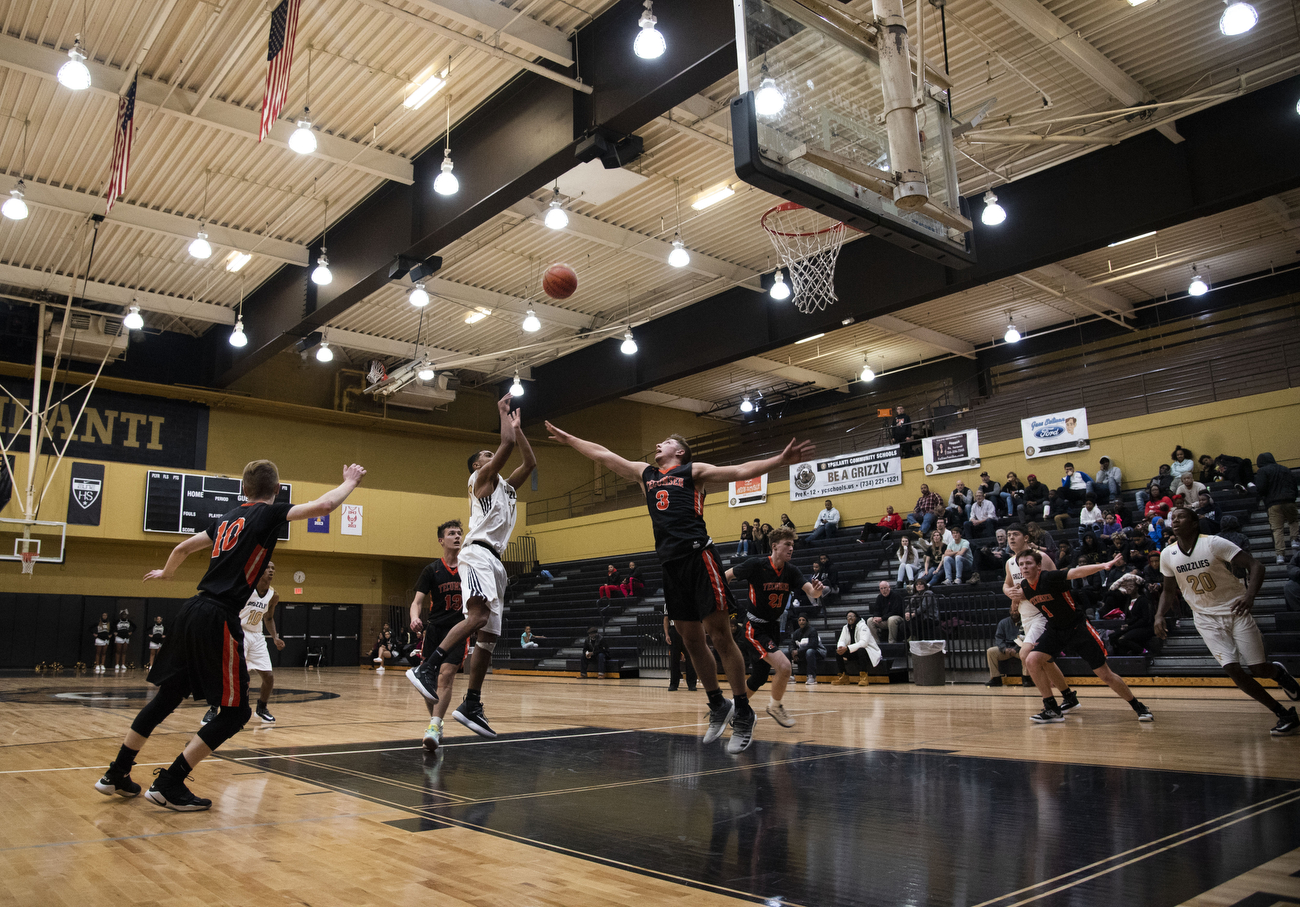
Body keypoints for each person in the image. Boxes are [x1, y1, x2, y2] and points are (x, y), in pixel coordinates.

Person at [93, 459, 366, 810]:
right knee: (236, 713)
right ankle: (170, 783)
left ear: (243, 490)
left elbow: (181, 549)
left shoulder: (226, 518)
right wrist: (350, 482)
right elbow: (326, 505)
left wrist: (166, 573)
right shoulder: (268, 515)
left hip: (192, 609)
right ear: (277, 491)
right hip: (217, 615)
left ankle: (116, 773)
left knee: (166, 697)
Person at [545, 420, 814, 755]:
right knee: (689, 639)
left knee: (719, 635)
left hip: (699, 557)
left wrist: (778, 460)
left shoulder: (693, 472)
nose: (660, 443)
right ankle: (718, 705)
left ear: (680, 451)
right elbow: (603, 456)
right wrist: (569, 437)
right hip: (670, 566)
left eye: (667, 440)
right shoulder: (646, 474)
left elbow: (741, 470)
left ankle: (743, 710)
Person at [408, 393, 536, 740]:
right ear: (478, 467)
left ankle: (472, 703)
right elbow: (507, 445)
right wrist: (503, 416)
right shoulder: (480, 482)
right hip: (478, 553)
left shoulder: (506, 489)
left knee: (489, 638)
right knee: (478, 617)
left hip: (496, 562)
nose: (490, 456)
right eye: (485, 456)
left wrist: (519, 429)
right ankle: (428, 667)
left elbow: (529, 461)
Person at [1156, 506, 1300, 736]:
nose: (1175, 520)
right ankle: (1284, 713)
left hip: (1235, 610)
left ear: (1194, 523)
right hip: (1205, 618)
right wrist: (1159, 614)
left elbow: (1256, 566)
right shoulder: (1167, 554)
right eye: (1173, 517)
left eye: (1181, 516)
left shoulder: (1214, 543)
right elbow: (1168, 589)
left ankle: (1278, 674)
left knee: (1258, 668)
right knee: (1233, 670)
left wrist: (1249, 596)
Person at [1016, 549, 1153, 723]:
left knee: (1105, 675)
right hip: (1055, 630)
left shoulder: (1049, 577)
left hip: (1078, 628)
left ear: (1038, 566)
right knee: (1031, 659)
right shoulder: (1026, 587)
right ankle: (1052, 709)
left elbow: (1076, 572)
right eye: (1021, 564)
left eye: (1029, 563)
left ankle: (1137, 705)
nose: (1025, 567)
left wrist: (1103, 566)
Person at [726, 526, 823, 728]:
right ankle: (775, 706)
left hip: (772, 628)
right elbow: (726, 576)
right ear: (774, 546)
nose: (791, 549)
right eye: (787, 544)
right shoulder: (757, 565)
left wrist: (816, 592)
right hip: (754, 627)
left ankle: (732, 708)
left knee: (760, 676)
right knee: (785, 667)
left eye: (792, 545)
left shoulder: (791, 571)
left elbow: (811, 593)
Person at [1002, 523, 1078, 710]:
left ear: (1026, 538)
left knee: (1026, 655)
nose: (1011, 538)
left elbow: (1054, 584)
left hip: (1043, 614)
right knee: (1043, 659)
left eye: (1015, 535)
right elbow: (1007, 584)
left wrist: (1026, 594)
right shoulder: (1010, 562)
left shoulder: (1041, 557)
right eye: (1009, 535)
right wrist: (1010, 593)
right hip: (1026, 617)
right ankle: (1069, 697)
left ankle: (1050, 704)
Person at [408, 519, 467, 751]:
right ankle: (436, 721)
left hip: (459, 628)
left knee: (447, 675)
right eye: (451, 533)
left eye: (460, 533)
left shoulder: (468, 567)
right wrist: (415, 617)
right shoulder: (431, 570)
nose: (457, 536)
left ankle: (433, 725)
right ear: (441, 540)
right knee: (428, 681)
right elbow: (417, 602)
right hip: (434, 630)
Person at [203, 561, 283, 725]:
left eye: (273, 568)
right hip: (239, 632)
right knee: (231, 676)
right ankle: (213, 708)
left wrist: (275, 637)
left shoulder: (273, 595)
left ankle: (261, 708)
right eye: (268, 567)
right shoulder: (244, 590)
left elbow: (268, 618)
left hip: (257, 635)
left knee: (268, 676)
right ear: (259, 570)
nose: (271, 570)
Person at [1254, 453, 1299, 564]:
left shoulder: (1262, 471)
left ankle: (1280, 555)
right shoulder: (1285, 469)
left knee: (1277, 529)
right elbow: (1294, 484)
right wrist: (1293, 496)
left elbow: (1261, 487)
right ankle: (1294, 540)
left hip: (1273, 503)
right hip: (1289, 500)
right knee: (1293, 521)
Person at [1109, 575, 1155, 656]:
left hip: (1145, 627)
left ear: (1137, 587)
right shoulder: (1127, 599)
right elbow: (1110, 592)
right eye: (1126, 586)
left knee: (1123, 639)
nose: (1128, 588)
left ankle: (1145, 652)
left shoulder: (1143, 600)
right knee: (1112, 636)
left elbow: (1145, 619)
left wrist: (1129, 626)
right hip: (1132, 626)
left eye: (1131, 586)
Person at [833, 610, 881, 686]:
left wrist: (847, 648)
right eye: (848, 617)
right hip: (853, 651)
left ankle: (864, 677)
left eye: (852, 616)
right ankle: (843, 677)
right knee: (838, 652)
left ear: (857, 617)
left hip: (868, 652)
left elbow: (864, 643)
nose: (850, 618)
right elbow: (841, 640)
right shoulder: (845, 627)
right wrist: (841, 647)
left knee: (861, 650)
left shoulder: (863, 626)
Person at [663, 609, 697, 692]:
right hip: (674, 630)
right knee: (674, 658)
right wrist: (667, 634)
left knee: (690, 658)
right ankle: (673, 684)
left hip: (687, 628)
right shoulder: (668, 601)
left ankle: (692, 684)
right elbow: (666, 619)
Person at [986, 611, 1021, 686]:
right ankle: (996, 678)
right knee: (990, 651)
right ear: (1009, 612)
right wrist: (1004, 648)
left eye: (1016, 611)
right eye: (1012, 611)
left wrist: (1016, 648)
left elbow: (1025, 638)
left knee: (1027, 652)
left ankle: (1026, 678)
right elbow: (999, 638)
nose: (1014, 613)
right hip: (1006, 649)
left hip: (1019, 649)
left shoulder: (1025, 622)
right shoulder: (1003, 622)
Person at [788, 613, 823, 685]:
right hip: (802, 653)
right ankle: (790, 676)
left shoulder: (812, 631)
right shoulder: (796, 632)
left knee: (809, 651)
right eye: (799, 620)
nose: (801, 622)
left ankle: (811, 677)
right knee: (786, 653)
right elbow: (791, 644)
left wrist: (798, 652)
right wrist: (793, 652)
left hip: (817, 652)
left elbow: (813, 645)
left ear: (807, 621)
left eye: (803, 620)